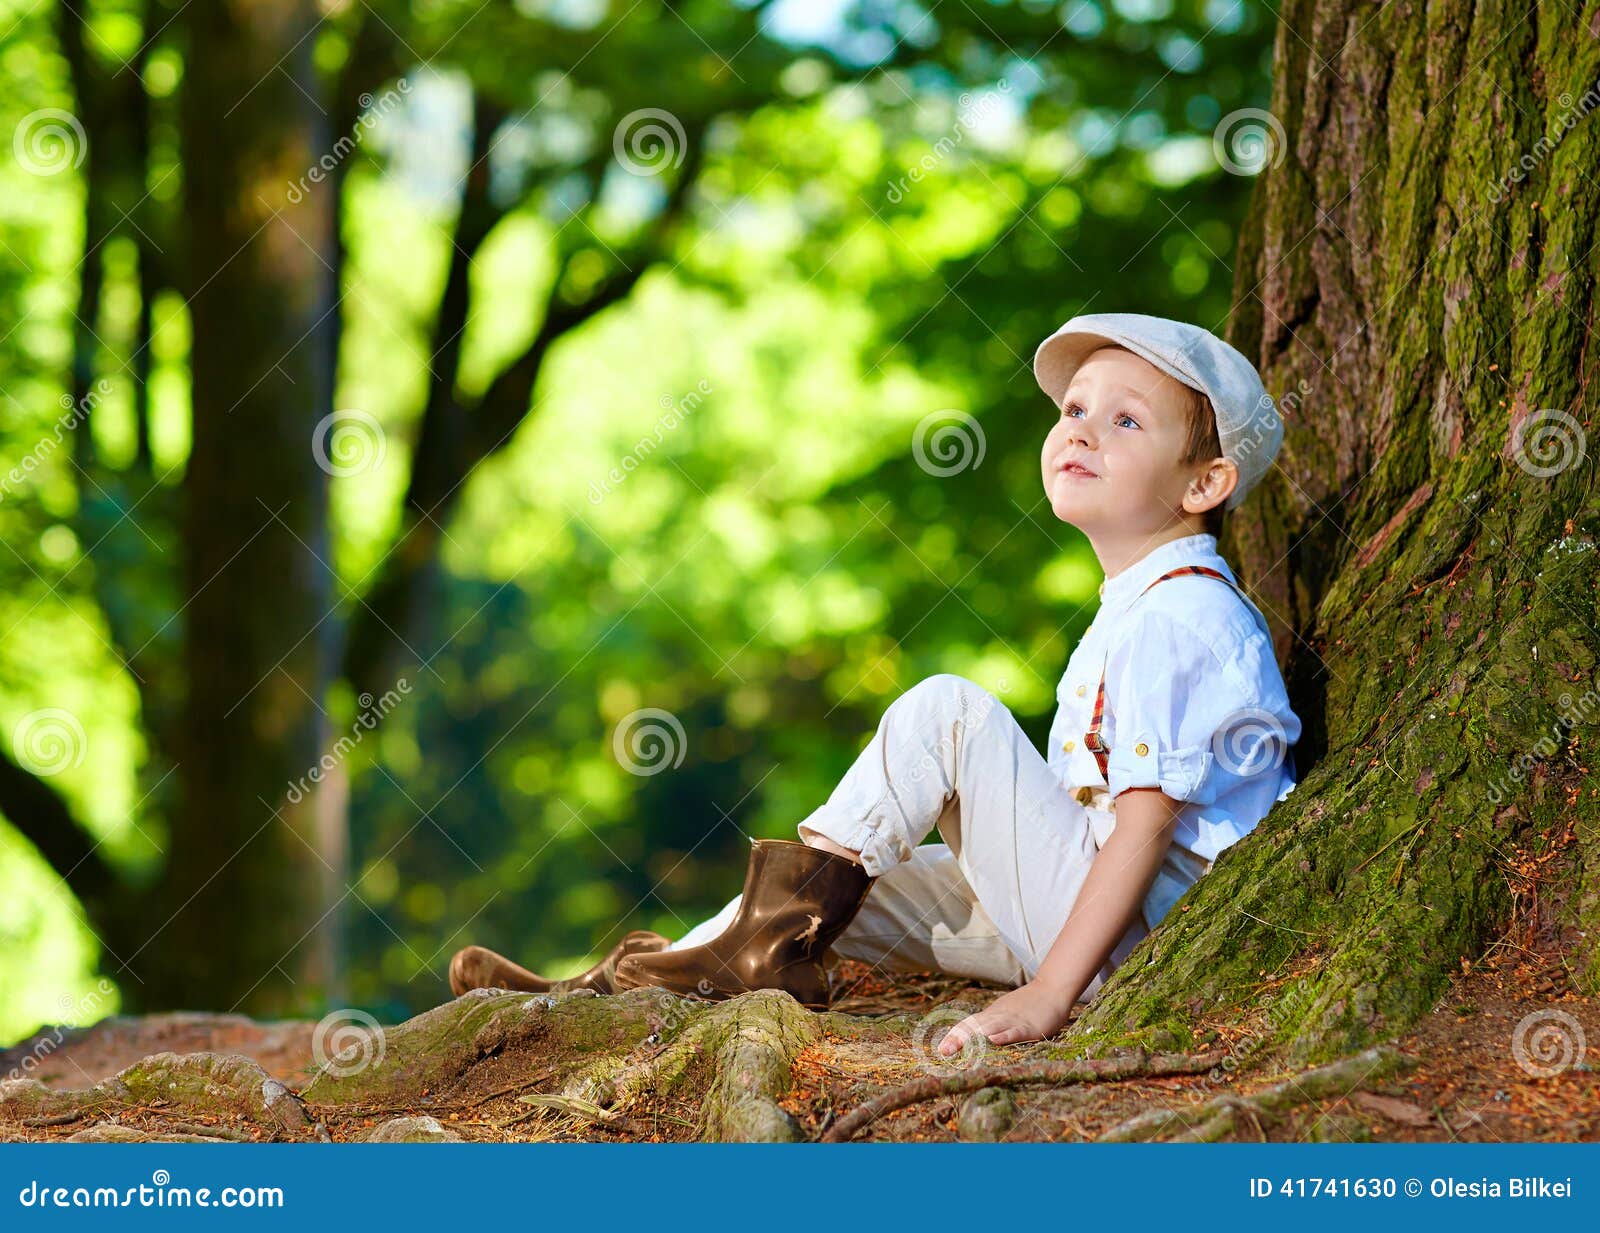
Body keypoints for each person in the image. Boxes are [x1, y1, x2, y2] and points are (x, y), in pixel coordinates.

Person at [449, 312, 1300, 1057]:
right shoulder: (1140, 606)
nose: (1080, 430)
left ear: (1205, 483)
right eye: (1075, 408)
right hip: (1092, 909)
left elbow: (1146, 826)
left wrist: (1047, 998)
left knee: (951, 711)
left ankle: (753, 949)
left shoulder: (1184, 615)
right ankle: (606, 992)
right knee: (855, 889)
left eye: (1124, 419)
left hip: (1137, 938)